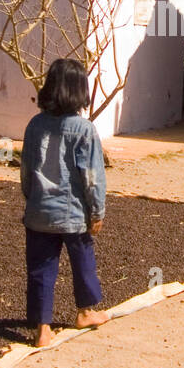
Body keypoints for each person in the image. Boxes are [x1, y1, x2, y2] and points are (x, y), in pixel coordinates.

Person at [20, 58, 110, 347]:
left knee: (40, 268)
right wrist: (97, 212)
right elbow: (92, 177)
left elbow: (26, 169)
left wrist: (32, 199)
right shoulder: (84, 129)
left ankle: (42, 330)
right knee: (83, 260)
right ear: (80, 90)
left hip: (38, 212)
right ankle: (85, 312)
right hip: (73, 214)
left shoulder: (34, 125)